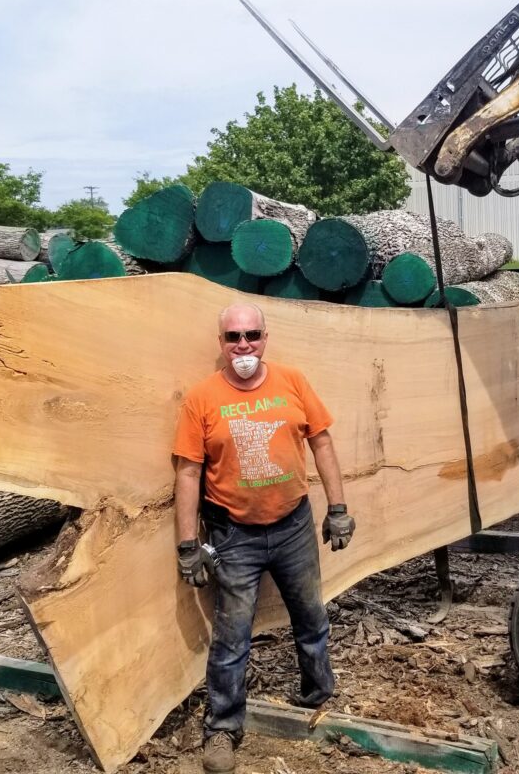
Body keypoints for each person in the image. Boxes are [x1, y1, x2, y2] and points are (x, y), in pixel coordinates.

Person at [173, 302, 355, 774]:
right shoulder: (202, 399)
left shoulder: (292, 381)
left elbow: (322, 442)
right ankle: (222, 730)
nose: (243, 345)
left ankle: (317, 696)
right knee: (232, 637)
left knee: (311, 617)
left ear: (265, 337)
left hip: (293, 525)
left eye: (251, 335)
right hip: (234, 536)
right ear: (222, 344)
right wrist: (188, 546)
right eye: (233, 337)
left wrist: (337, 509)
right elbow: (189, 472)